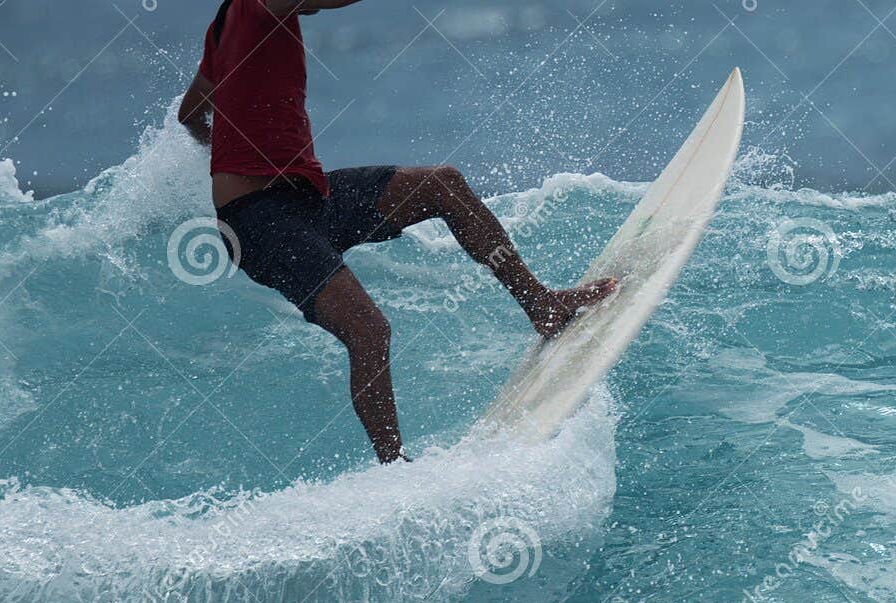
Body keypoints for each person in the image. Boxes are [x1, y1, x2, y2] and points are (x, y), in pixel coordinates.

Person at [177, 0, 616, 463]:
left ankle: (542, 306)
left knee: (441, 184)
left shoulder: (227, 24)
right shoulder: (254, 6)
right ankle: (394, 468)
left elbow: (191, 113)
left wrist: (234, 152)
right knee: (368, 329)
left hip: (307, 197)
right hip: (258, 221)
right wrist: (239, 172)